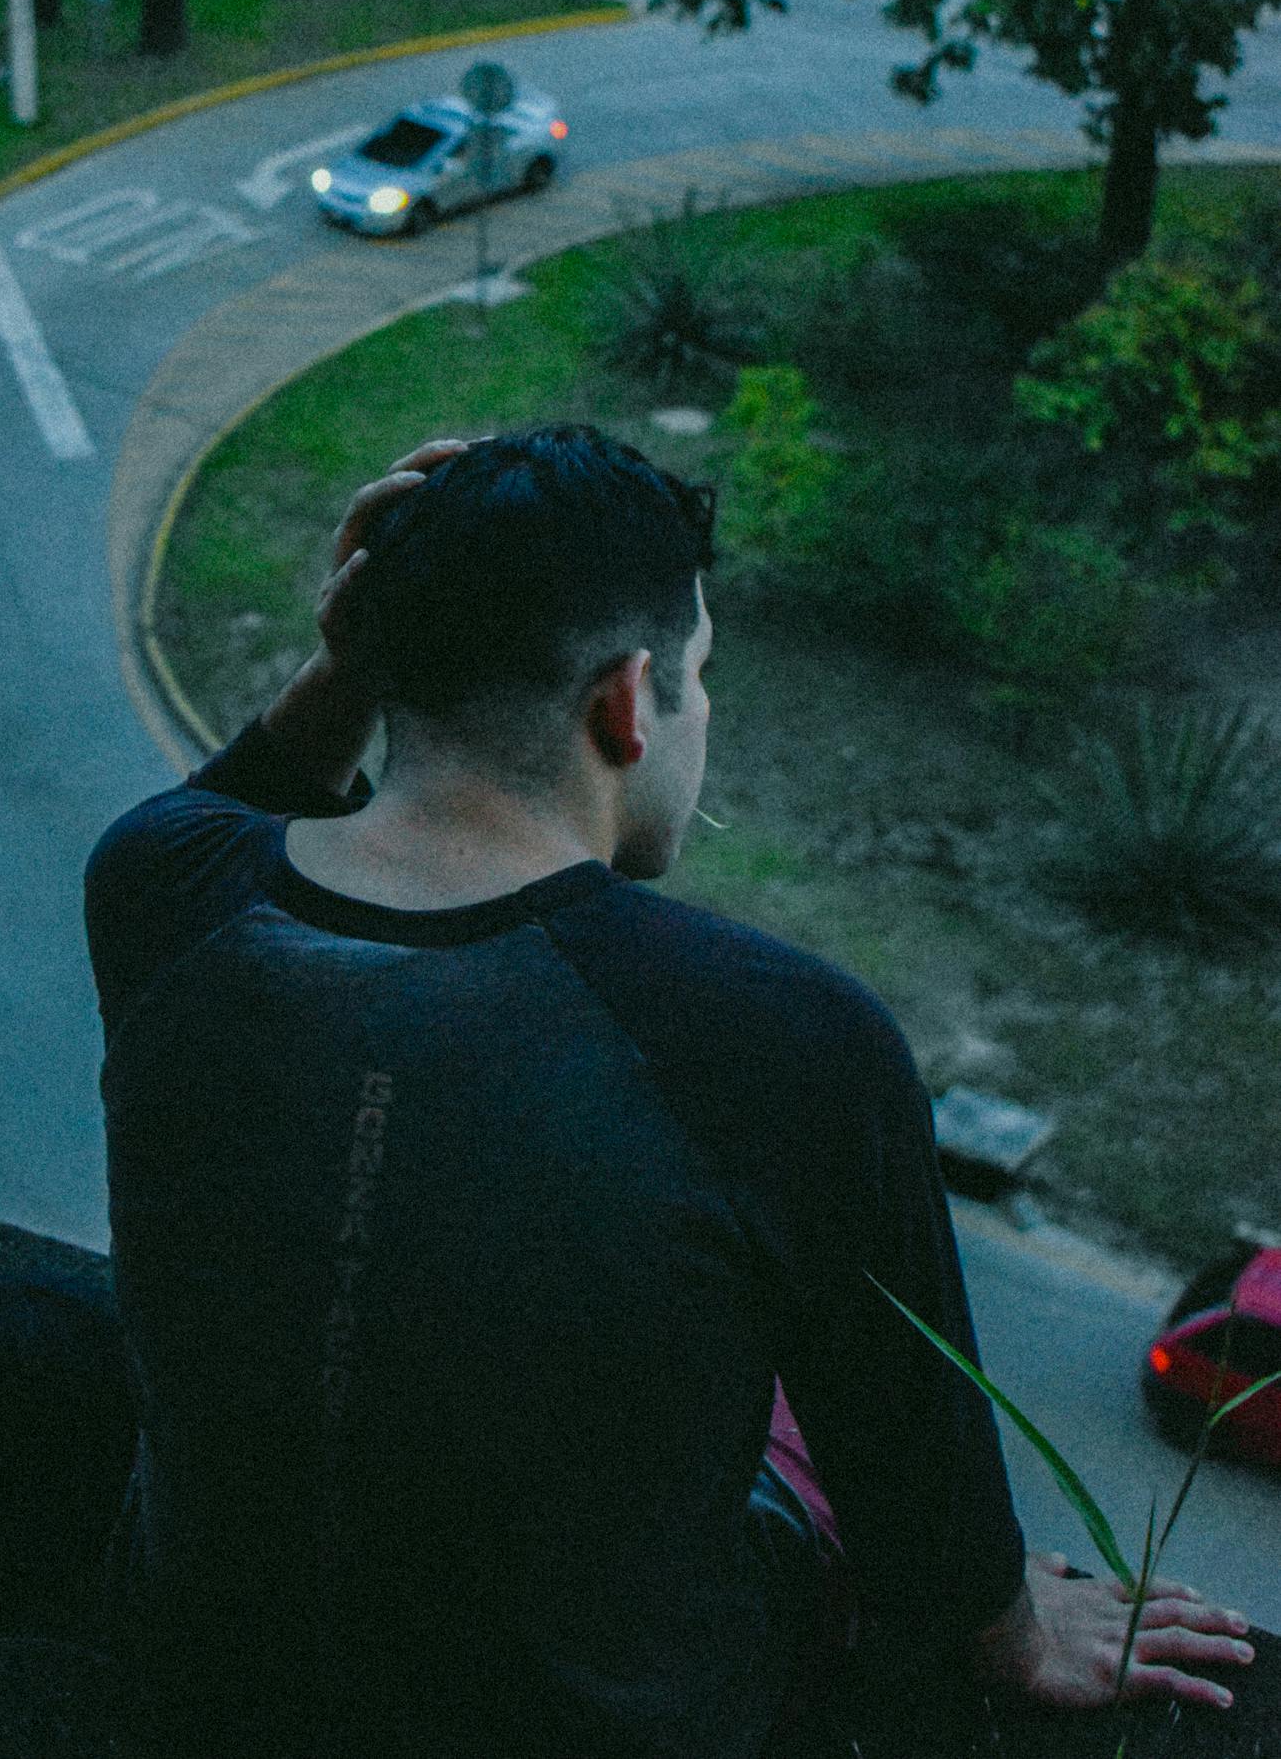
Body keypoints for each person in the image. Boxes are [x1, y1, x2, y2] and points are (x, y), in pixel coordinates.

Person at [75, 425, 1254, 1757]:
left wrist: (363, 655)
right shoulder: (786, 1034)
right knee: (786, 1412)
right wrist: (1015, 1635)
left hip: (200, 1665)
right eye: (701, 677)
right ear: (627, 703)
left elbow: (231, 809)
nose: (703, 713)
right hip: (601, 1725)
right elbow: (905, 1457)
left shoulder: (161, 890)